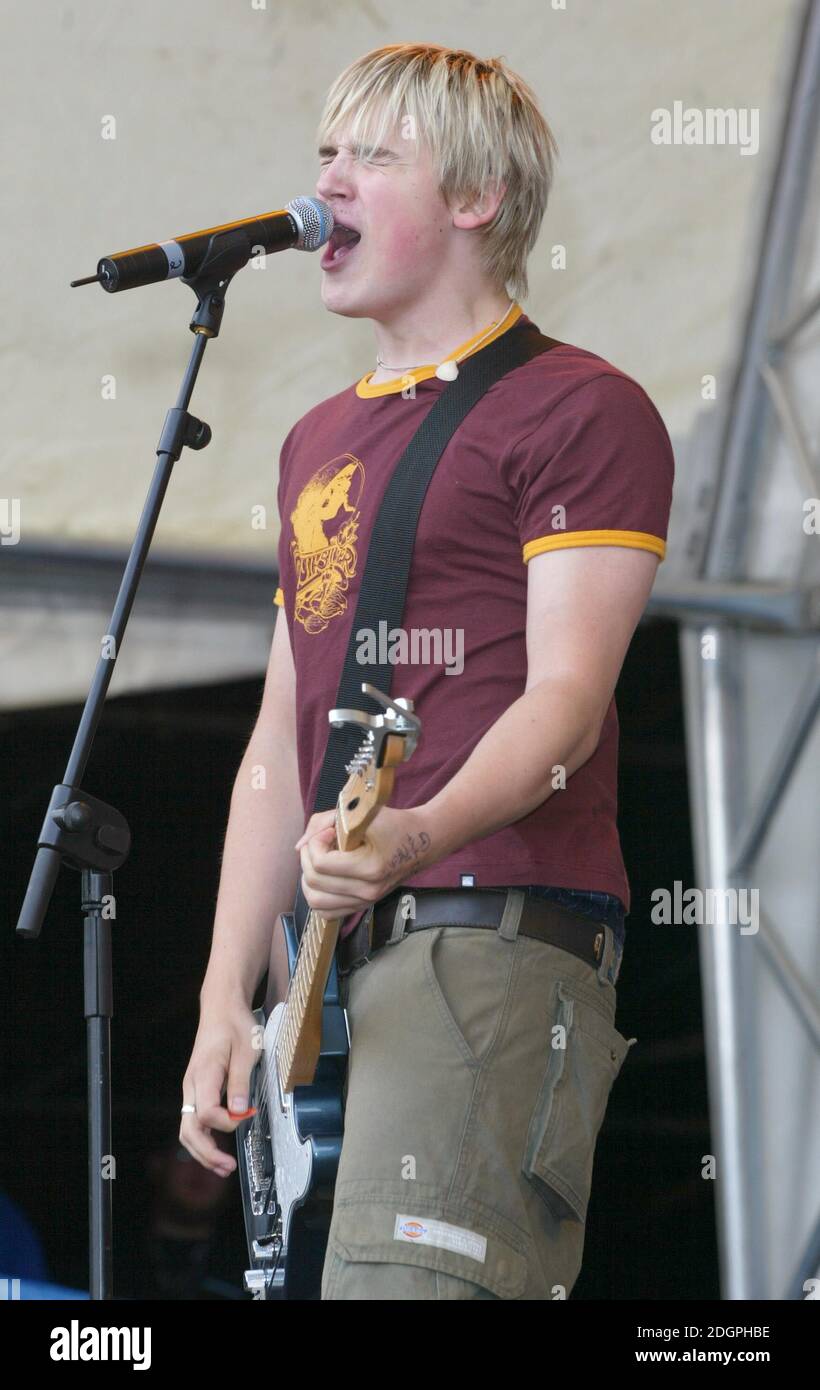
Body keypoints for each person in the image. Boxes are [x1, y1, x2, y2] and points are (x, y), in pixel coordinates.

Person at [180, 42, 674, 1300]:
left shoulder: (579, 406)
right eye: (324, 157)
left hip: (486, 933)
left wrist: (416, 830)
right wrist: (221, 991)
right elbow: (278, 738)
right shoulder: (315, 437)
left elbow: (566, 700)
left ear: (475, 199)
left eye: (372, 157)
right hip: (332, 968)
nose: (328, 185)